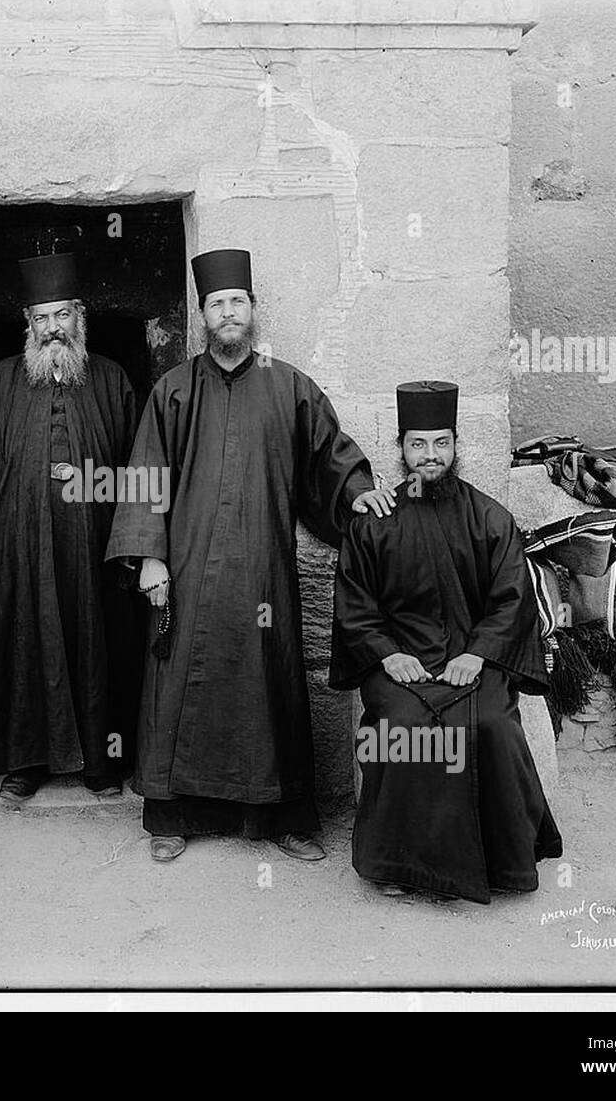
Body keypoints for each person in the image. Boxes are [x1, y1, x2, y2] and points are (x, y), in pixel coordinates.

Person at [106, 248, 396, 863]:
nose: (229, 313)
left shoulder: (289, 386)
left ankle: (286, 819)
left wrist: (359, 492)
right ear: (204, 316)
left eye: (238, 301)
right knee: (178, 685)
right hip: (184, 570)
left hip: (264, 574)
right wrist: (149, 558)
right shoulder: (174, 390)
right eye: (218, 304)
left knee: (271, 686)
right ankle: (171, 815)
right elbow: (145, 476)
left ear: (253, 311)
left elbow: (330, 457)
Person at [331, 380, 563, 903]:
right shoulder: (373, 524)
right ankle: (396, 863)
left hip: (473, 659)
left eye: (440, 443)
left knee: (486, 724)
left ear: (456, 445)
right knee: (401, 724)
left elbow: (512, 600)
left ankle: (501, 863)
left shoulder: (490, 518)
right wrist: (389, 656)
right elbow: (356, 606)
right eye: (418, 444)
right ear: (402, 448)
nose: (430, 456)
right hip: (399, 665)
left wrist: (476, 654)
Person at [0, 252, 139, 802]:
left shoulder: (112, 379)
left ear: (80, 316)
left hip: (94, 545)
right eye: (40, 318)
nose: (53, 329)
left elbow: (141, 460)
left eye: (62, 316)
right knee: (24, 644)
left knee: (96, 642)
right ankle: (25, 761)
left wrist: (125, 531)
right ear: (28, 325)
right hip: (19, 547)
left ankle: (101, 760)